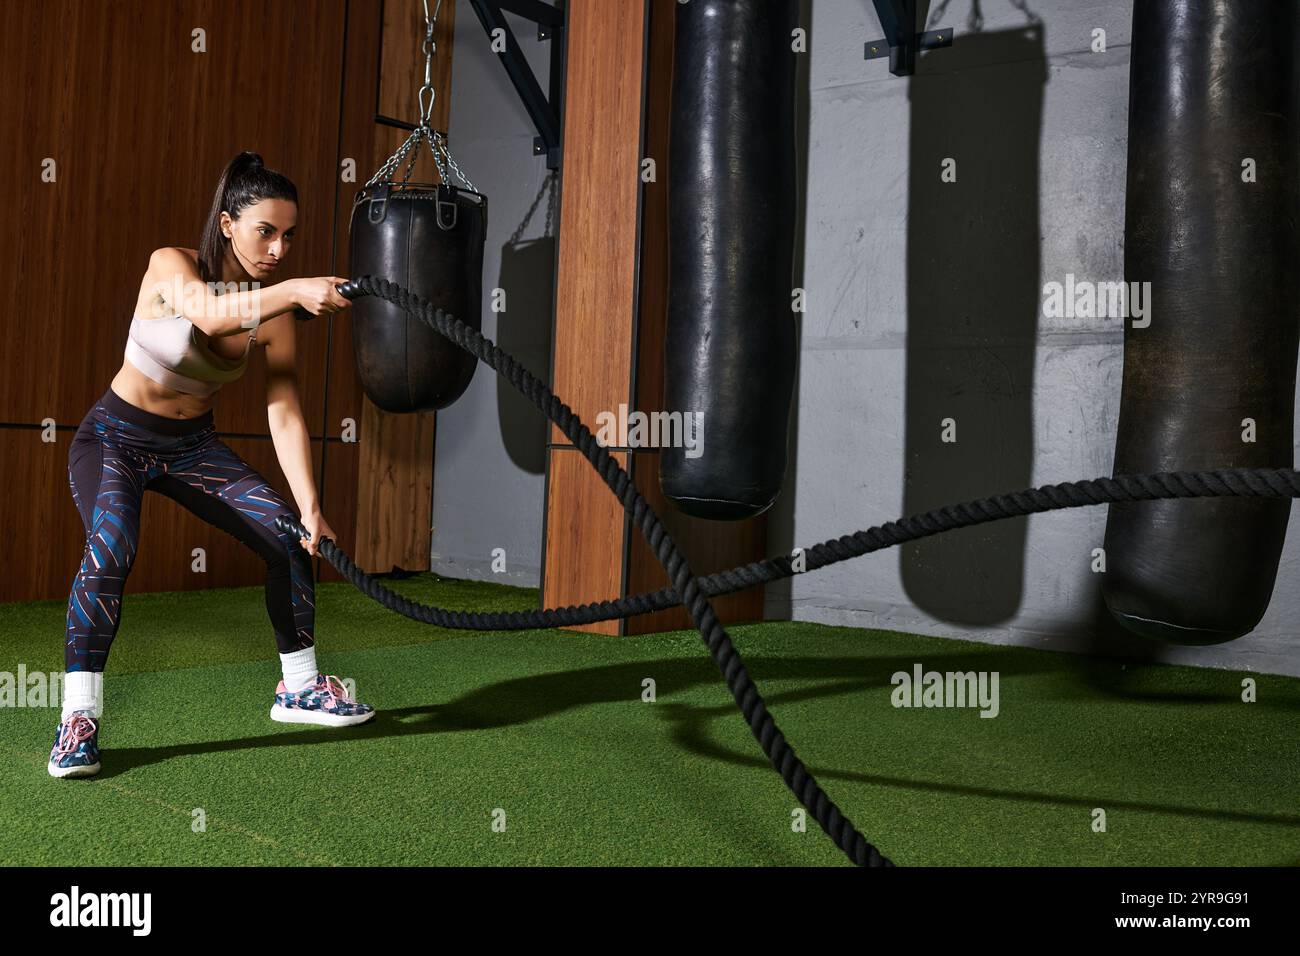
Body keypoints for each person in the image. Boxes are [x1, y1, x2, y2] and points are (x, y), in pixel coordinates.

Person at [51, 151, 376, 780]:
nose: (279, 249)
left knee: (287, 536)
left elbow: (283, 410)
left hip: (193, 447)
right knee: (112, 546)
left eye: (289, 237)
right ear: (227, 224)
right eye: (265, 232)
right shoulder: (171, 266)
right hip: (114, 438)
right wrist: (296, 291)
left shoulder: (274, 314)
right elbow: (208, 312)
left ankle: (299, 688)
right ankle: (77, 721)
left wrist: (310, 506)